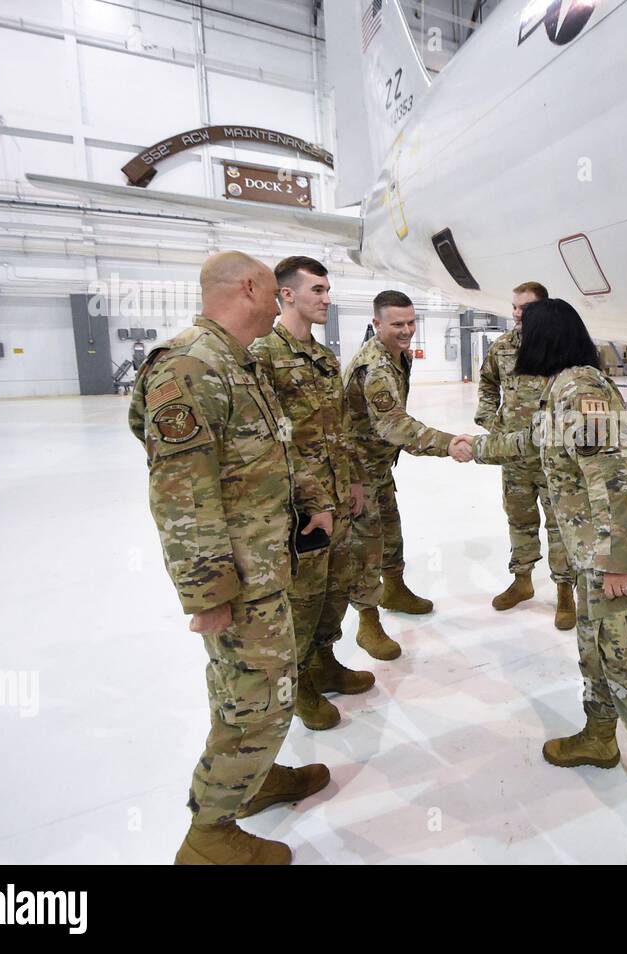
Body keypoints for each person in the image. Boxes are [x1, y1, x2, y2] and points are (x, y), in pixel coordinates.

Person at [453, 299, 627, 865]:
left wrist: (618, 561)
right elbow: (533, 443)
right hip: (596, 559)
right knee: (595, 655)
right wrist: (475, 447)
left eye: (525, 328)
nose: (517, 337)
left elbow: (613, 480)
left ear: (547, 335)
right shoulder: (560, 389)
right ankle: (600, 738)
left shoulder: (582, 390)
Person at [128, 251, 332, 864]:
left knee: (247, 692)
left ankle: (253, 779)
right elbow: (181, 494)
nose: (279, 304)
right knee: (258, 702)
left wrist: (309, 501)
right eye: (274, 292)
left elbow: (269, 451)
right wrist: (209, 594)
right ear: (249, 287)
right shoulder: (191, 364)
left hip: (265, 568)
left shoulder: (235, 362)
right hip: (238, 581)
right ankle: (209, 836)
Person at [249, 256, 375, 731]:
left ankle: (323, 660)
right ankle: (298, 682)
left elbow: (344, 429)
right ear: (287, 294)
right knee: (301, 598)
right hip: (299, 508)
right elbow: (267, 439)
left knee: (335, 587)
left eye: (327, 291)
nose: (326, 299)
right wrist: (310, 499)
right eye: (317, 290)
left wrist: (357, 480)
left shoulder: (324, 358)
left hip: (339, 497)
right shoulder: (262, 354)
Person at [343, 290, 466, 646]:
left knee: (391, 535)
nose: (407, 330)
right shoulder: (376, 366)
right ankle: (368, 622)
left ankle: (394, 591)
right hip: (357, 471)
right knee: (365, 547)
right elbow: (393, 424)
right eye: (397, 324)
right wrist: (448, 443)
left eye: (411, 322)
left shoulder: (399, 357)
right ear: (376, 324)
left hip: (378, 465)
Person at [475, 281, 575, 630]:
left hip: (555, 459)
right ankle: (523, 580)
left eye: (525, 308)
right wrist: (491, 421)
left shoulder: (563, 349)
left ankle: (565, 590)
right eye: (514, 307)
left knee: (560, 525)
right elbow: (487, 384)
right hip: (513, 456)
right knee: (519, 518)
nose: (517, 314)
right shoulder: (503, 347)